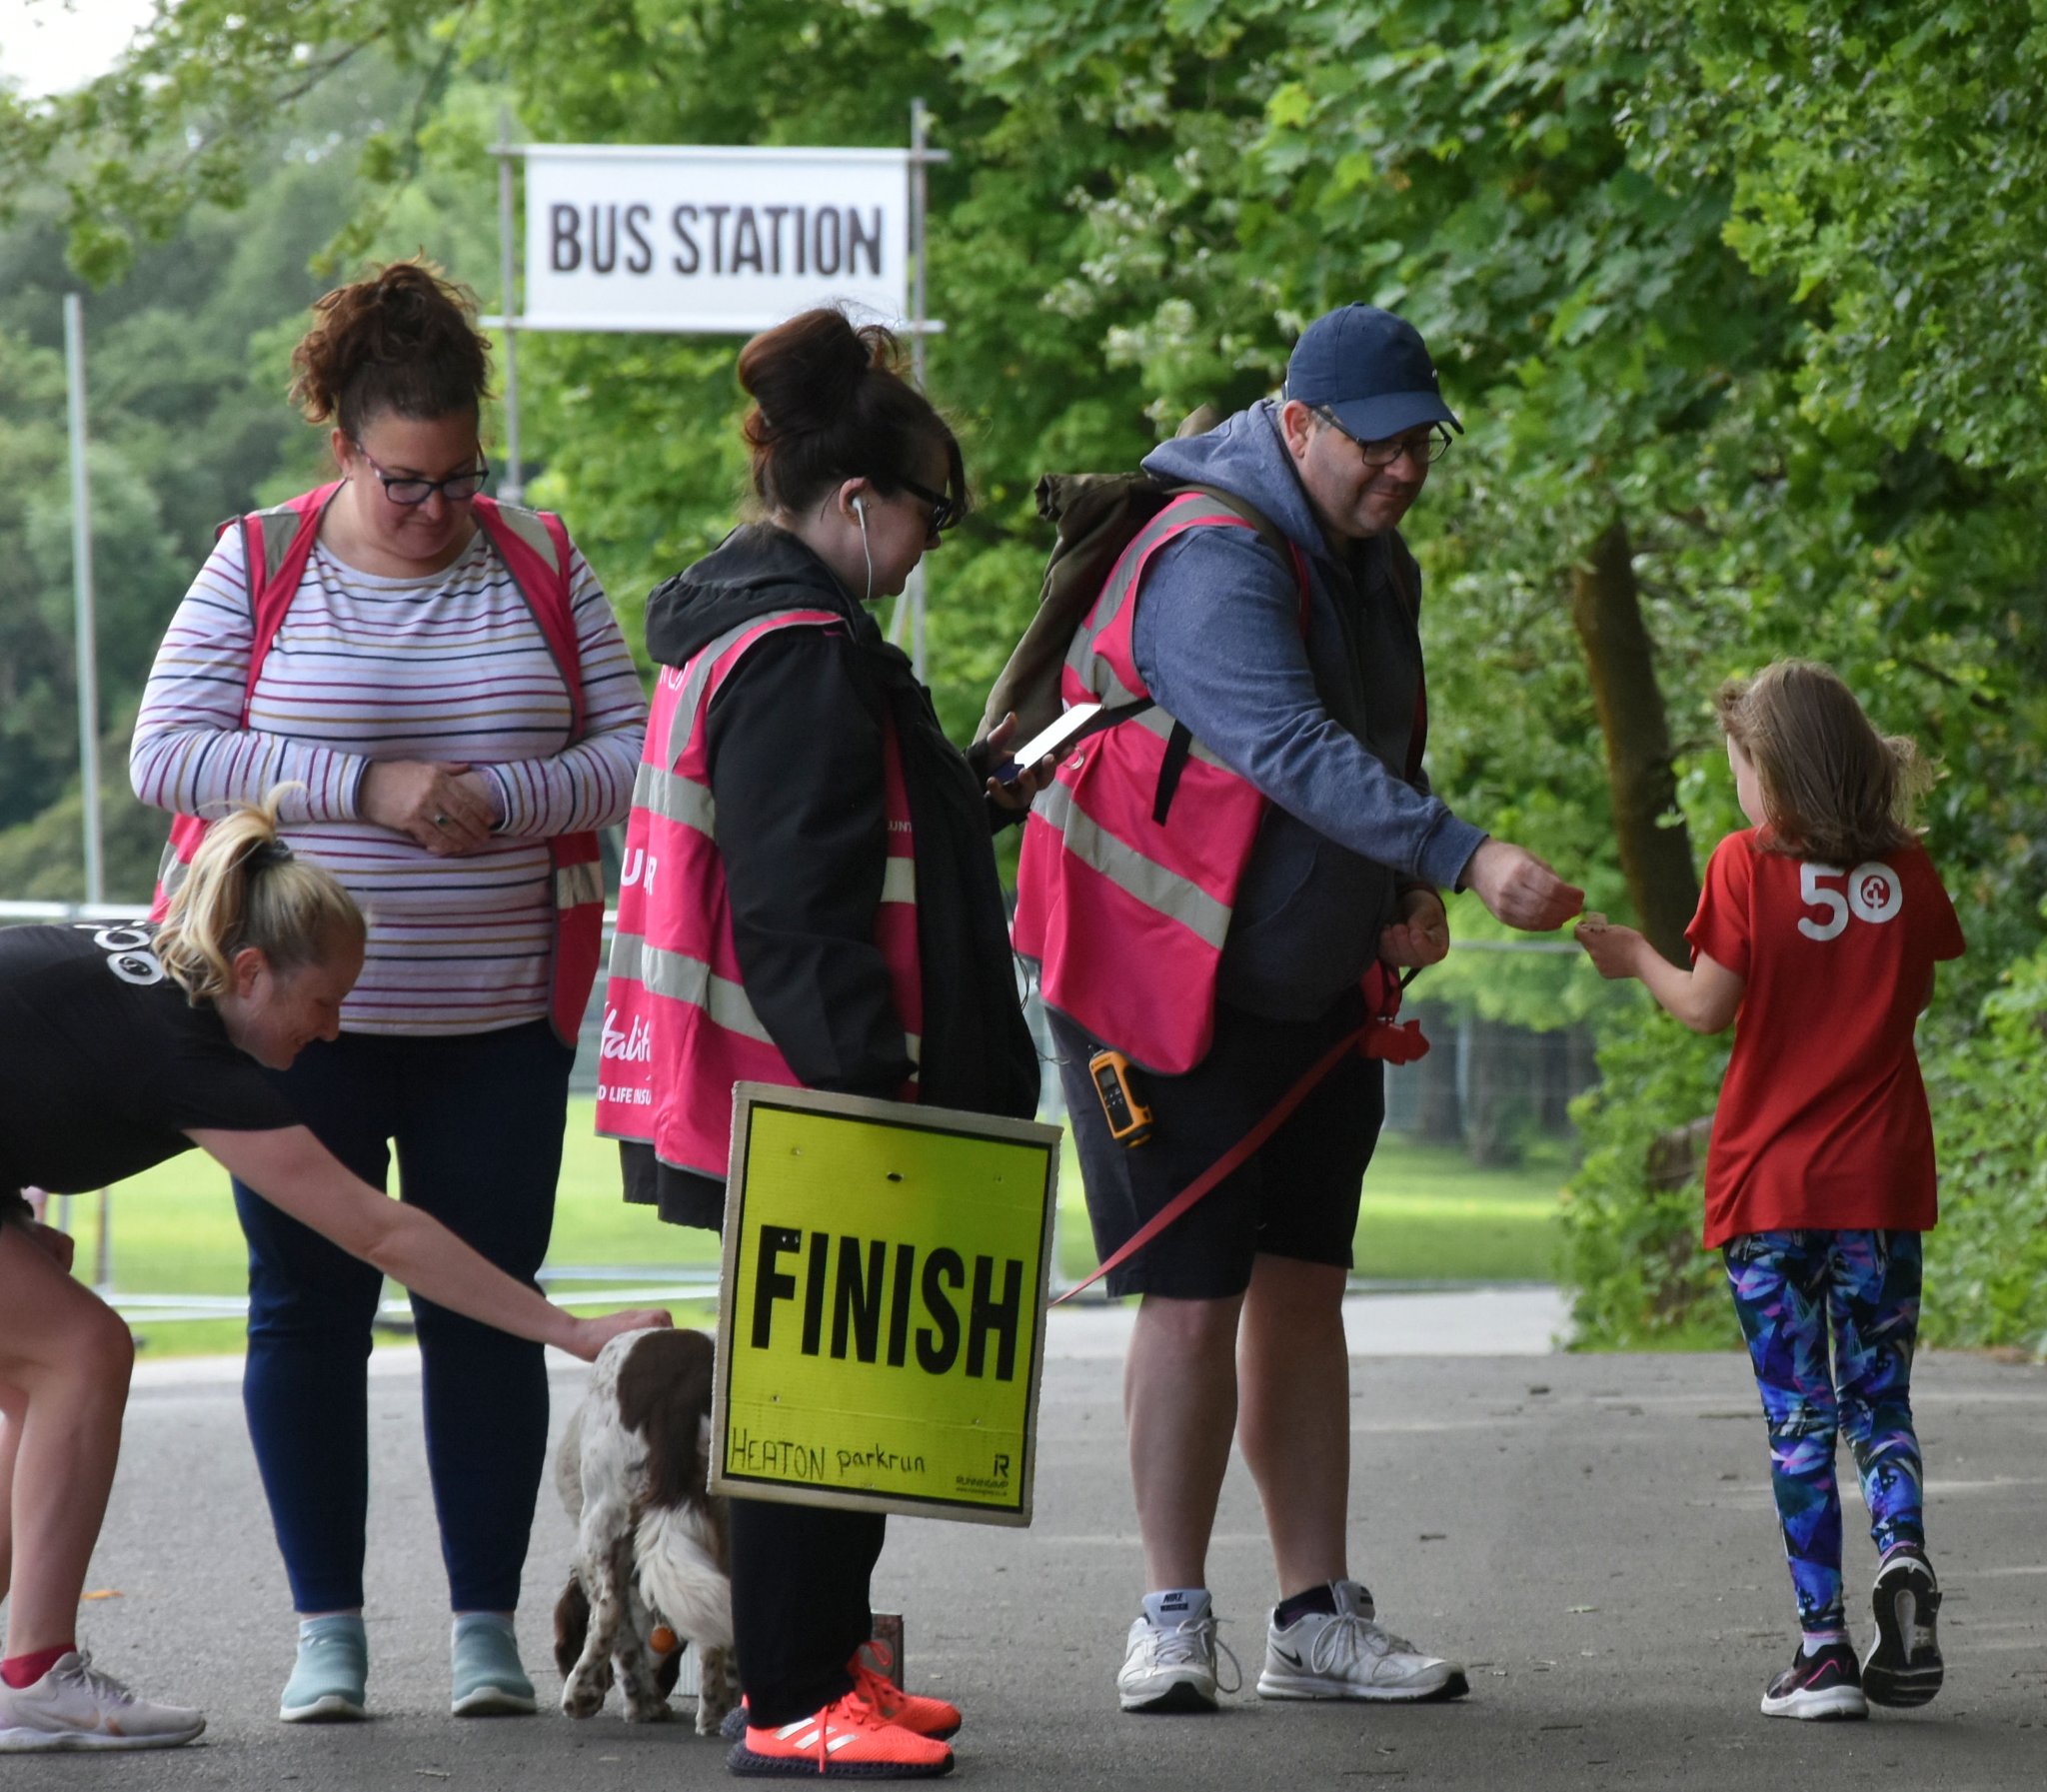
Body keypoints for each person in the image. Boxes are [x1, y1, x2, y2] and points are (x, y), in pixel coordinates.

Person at [1010, 302, 1584, 1715]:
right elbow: (1284, 742)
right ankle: (1170, 1612)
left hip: (1312, 987)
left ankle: (1314, 1616)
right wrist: (1462, 852)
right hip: (1158, 983)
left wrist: (1392, 902)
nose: (1403, 471)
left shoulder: (1370, 561)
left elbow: (1372, 747)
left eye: (1422, 447)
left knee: (1304, 1292)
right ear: (1301, 421)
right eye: (1378, 444)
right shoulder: (1214, 554)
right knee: (1193, 1298)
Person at [129, 260, 647, 1723]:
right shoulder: (259, 559)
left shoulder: (539, 557)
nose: (438, 510)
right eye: (407, 482)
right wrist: (364, 786)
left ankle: (485, 1626)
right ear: (346, 448)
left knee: (487, 1308)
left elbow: (635, 750)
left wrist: (510, 795)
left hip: (495, 1016)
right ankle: (330, 1633)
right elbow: (165, 752)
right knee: (306, 1310)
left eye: (461, 478)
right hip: (292, 1025)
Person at [598, 307, 1047, 1778]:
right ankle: (792, 1694)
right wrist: (875, 1090)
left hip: (763, 1091)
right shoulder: (797, 651)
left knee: (847, 1403)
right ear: (858, 502)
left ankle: (828, 1663)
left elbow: (842, 845)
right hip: (814, 1096)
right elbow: (797, 909)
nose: (927, 547)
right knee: (809, 1411)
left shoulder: (768, 633)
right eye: (926, 517)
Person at [0, 794, 669, 1753]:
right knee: (80, 1350)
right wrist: (569, 1332)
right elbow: (378, 1230)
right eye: (325, 1002)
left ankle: (27, 1671)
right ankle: (35, 1677)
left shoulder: (155, 986)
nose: (335, 1029)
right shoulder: (188, 1054)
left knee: (39, 1368)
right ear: (251, 971)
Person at [1576, 660, 1961, 1721]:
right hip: (1878, 1185)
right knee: (1877, 1401)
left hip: (1769, 1190)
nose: (1734, 785)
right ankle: (1900, 1551)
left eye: (1738, 763)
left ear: (1772, 770)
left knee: (1798, 1419)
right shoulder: (1908, 874)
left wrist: (1632, 957)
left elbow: (1704, 1006)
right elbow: (1906, 1000)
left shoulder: (1744, 865)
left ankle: (1822, 1650)